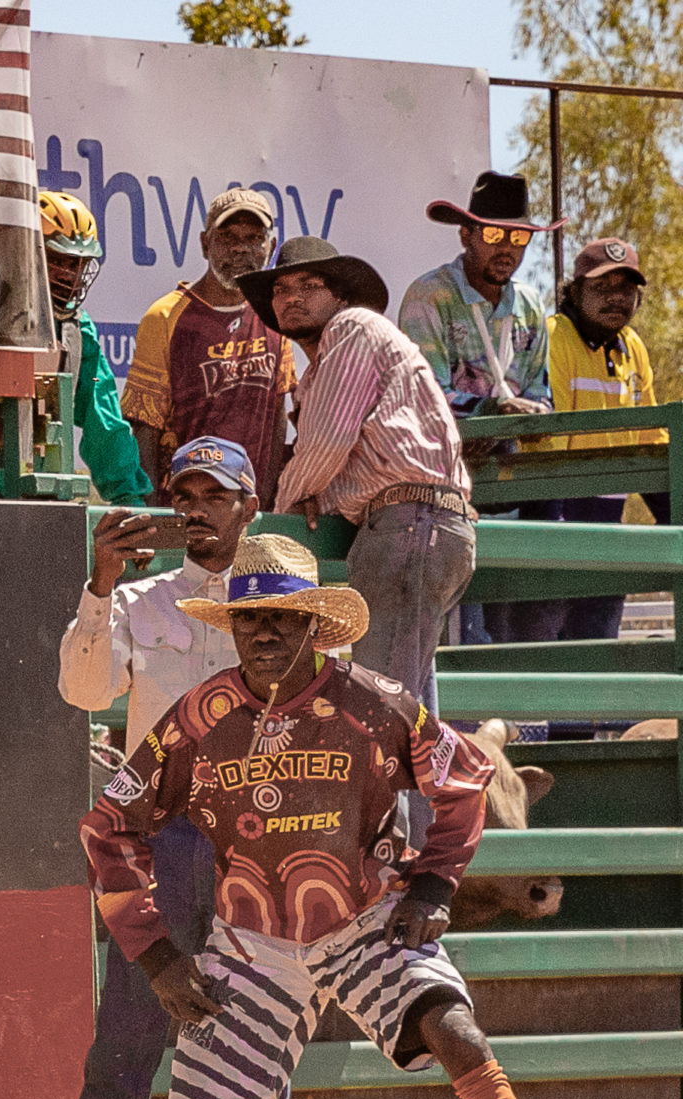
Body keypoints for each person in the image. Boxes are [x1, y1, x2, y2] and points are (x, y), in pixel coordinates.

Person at [80, 532, 639, 1099]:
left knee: (459, 1034)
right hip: (250, 937)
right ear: (232, 627)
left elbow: (465, 779)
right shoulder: (200, 718)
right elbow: (110, 826)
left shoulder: (376, 703)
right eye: (249, 619)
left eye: (282, 618)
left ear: (315, 625)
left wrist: (435, 884)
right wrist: (157, 953)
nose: (263, 633)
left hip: (367, 916)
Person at [29, 436, 291, 1099]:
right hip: (166, 843)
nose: (196, 508)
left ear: (248, 507)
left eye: (215, 494)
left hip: (258, 840)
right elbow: (83, 692)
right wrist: (99, 585)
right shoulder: (138, 600)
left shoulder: (281, 606)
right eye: (185, 493)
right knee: (125, 1050)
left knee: (254, 1047)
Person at [243, 237, 473, 711]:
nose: (292, 297)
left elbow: (327, 441)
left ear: (341, 296)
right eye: (281, 290)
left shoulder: (352, 327)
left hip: (408, 525)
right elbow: (352, 455)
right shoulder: (331, 360)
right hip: (419, 526)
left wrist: (285, 518)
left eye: (309, 285)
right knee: (405, 707)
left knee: (379, 711)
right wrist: (321, 496)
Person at [0, 190, 148, 503]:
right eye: (57, 260)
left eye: (76, 264)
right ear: (24, 255)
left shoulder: (76, 332)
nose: (68, 275)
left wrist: (129, 498)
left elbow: (105, 424)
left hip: (33, 500)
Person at [509, 238, 661, 638]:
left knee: (598, 645)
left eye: (625, 288)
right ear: (574, 292)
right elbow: (548, 440)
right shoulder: (555, 336)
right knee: (541, 646)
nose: (616, 298)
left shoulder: (632, 347)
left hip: (607, 522)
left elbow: (652, 440)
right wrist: (556, 532)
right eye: (601, 287)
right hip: (554, 515)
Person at [121, 189, 295, 506]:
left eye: (254, 238)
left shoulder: (274, 314)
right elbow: (145, 429)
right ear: (205, 244)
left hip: (249, 510)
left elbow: (276, 416)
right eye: (227, 237)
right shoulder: (165, 316)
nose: (240, 248)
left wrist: (266, 502)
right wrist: (155, 515)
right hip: (186, 509)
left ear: (271, 248)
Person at [398, 171, 559, 420]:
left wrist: (539, 411)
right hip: (447, 444)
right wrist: (496, 408)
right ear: (466, 235)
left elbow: (540, 391)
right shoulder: (429, 296)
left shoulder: (530, 304)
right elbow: (426, 395)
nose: (506, 248)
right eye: (493, 234)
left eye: (519, 237)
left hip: (516, 445)